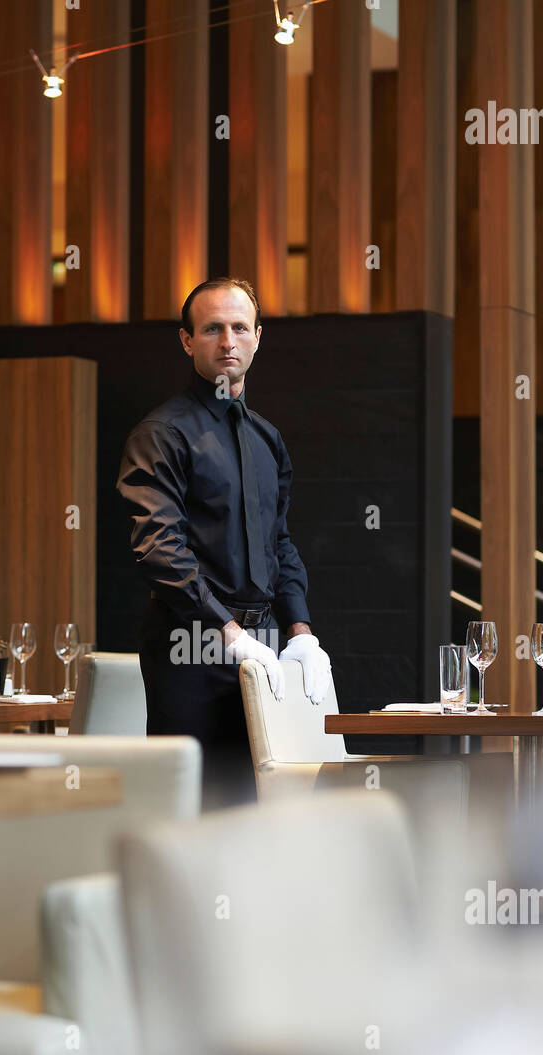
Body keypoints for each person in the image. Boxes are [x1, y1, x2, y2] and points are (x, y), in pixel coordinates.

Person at [116, 277, 331, 807]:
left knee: (261, 806)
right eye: (212, 329)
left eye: (239, 328)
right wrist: (228, 631)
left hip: (266, 646)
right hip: (189, 648)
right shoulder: (160, 433)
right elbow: (157, 547)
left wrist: (301, 631)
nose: (227, 341)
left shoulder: (267, 439)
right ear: (188, 341)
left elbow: (279, 541)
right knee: (196, 809)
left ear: (258, 337)